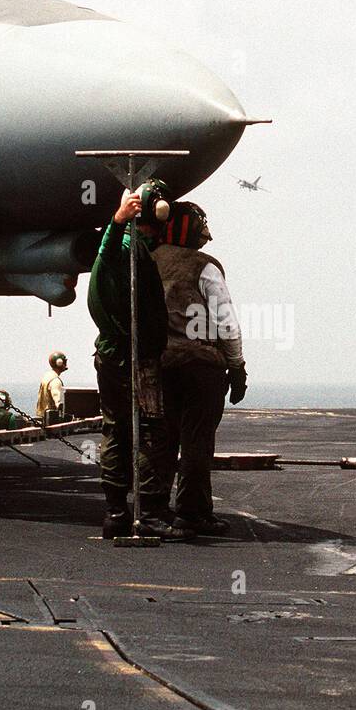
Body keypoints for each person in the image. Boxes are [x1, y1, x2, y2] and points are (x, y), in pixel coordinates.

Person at [87, 184, 185, 541]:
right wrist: (117, 220)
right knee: (152, 432)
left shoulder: (126, 247)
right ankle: (151, 513)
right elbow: (110, 250)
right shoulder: (131, 248)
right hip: (135, 358)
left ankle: (116, 513)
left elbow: (105, 253)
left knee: (116, 430)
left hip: (112, 355)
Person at [152, 202, 246, 536]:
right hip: (201, 367)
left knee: (161, 440)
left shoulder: (147, 262)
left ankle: (154, 511)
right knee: (196, 441)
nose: (206, 234)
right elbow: (226, 322)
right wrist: (237, 368)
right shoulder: (204, 267)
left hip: (159, 365)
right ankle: (192, 514)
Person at [36, 351, 67, 424]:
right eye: (64, 361)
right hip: (51, 419)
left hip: (42, 416)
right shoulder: (55, 381)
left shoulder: (47, 376)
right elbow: (58, 399)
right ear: (60, 362)